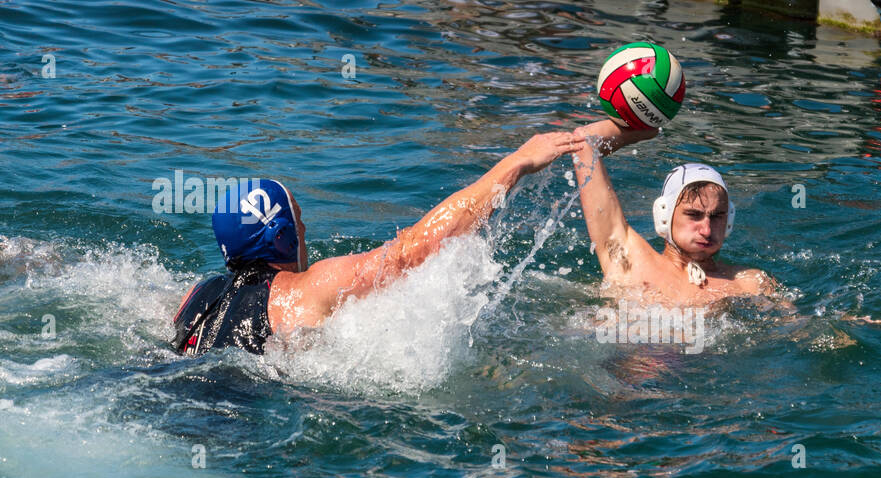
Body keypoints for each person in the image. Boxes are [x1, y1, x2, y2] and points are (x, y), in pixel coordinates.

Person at [170, 131, 586, 356]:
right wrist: (516, 163)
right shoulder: (308, 287)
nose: (306, 230)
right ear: (280, 237)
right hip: (238, 418)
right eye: (298, 220)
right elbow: (413, 251)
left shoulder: (197, 295)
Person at [568, 119, 779, 306]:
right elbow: (584, 142)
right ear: (664, 216)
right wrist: (645, 131)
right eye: (694, 215)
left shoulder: (750, 283)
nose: (706, 229)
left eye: (717, 217)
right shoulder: (630, 260)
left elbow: (796, 330)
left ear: (729, 220)